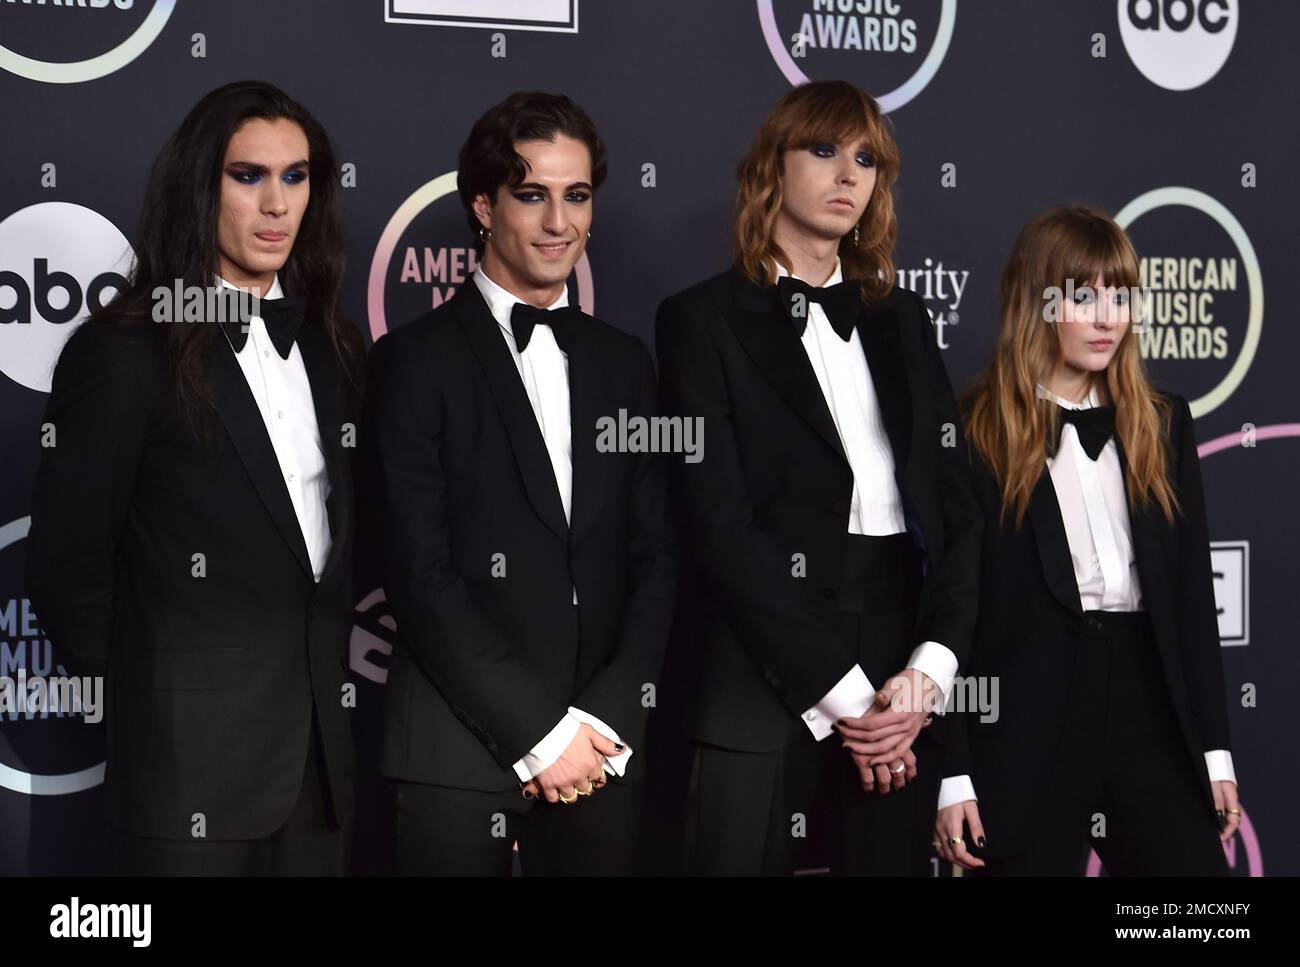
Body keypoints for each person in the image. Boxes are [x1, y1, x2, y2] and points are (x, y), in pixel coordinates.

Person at [27, 80, 363, 875]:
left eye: (297, 175)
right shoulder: (125, 351)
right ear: (199, 185)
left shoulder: (335, 349)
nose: (277, 203)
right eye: (248, 176)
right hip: (183, 782)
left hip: (320, 776)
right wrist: (158, 702)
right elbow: (67, 564)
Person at [655, 80, 981, 876]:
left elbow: (957, 513)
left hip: (900, 665)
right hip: (756, 662)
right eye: (825, 150)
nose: (849, 175)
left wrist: (923, 681)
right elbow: (719, 527)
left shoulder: (903, 318)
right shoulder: (699, 320)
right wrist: (849, 698)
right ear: (773, 165)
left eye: (867, 158)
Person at [364, 91, 676, 876]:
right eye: (532, 195)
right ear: (483, 204)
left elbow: (659, 554)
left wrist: (603, 716)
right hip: (454, 747)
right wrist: (541, 734)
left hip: (602, 752)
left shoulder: (623, 362)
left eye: (576, 197)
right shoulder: (413, 360)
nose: (558, 222)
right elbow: (417, 570)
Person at [934, 204, 1241, 876]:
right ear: (1035, 301)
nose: (1107, 317)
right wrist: (952, 773)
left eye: (1120, 296)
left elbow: (1193, 604)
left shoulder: (1164, 422)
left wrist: (1214, 752)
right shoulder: (974, 430)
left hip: (1147, 712)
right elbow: (950, 613)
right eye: (1082, 295)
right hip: (1023, 715)